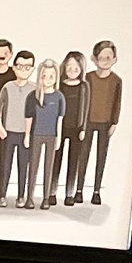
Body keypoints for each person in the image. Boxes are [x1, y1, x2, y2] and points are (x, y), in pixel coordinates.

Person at [84, 38, 124, 202]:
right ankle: (78, 189)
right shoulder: (88, 78)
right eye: (101, 57)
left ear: (114, 59)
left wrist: (114, 122)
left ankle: (96, 191)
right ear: (94, 59)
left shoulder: (116, 81)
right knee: (83, 156)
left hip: (105, 123)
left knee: (101, 157)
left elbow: (117, 102)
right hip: (87, 122)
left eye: (109, 58)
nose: (105, 61)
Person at [0, 47, 36, 202]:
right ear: (14, 67)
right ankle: (2, 195)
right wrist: (0, 127)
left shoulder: (35, 89)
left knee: (23, 166)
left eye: (27, 67)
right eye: (19, 66)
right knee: (5, 166)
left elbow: (36, 113)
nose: (23, 70)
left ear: (32, 69)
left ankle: (20, 196)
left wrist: (30, 134)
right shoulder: (7, 87)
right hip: (8, 132)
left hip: (25, 134)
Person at [27, 58, 65, 207]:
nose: (47, 80)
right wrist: (27, 136)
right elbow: (29, 118)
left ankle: (45, 198)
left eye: (51, 76)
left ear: (56, 78)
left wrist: (59, 138)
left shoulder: (59, 97)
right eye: (44, 76)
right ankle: (29, 197)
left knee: (48, 168)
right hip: (36, 134)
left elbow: (59, 120)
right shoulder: (33, 96)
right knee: (34, 167)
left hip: (51, 135)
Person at [58, 49, 91, 204]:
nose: (72, 70)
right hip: (60, 128)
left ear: (81, 69)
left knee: (73, 162)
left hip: (77, 129)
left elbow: (86, 109)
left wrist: (84, 128)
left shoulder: (84, 86)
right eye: (69, 67)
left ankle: (69, 194)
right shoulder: (60, 86)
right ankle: (51, 192)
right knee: (56, 161)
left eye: (76, 67)